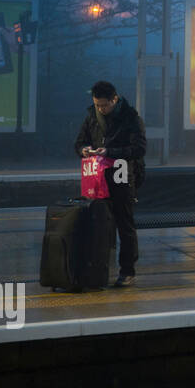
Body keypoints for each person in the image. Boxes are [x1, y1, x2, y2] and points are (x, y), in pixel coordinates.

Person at [74, 80, 147, 286]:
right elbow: (78, 143)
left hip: (122, 175)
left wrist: (111, 152)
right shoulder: (92, 117)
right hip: (98, 177)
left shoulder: (131, 118)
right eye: (97, 105)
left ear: (115, 99)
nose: (101, 109)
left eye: (104, 105)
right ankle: (97, 269)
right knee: (99, 225)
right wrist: (85, 151)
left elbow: (139, 149)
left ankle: (127, 271)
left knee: (124, 223)